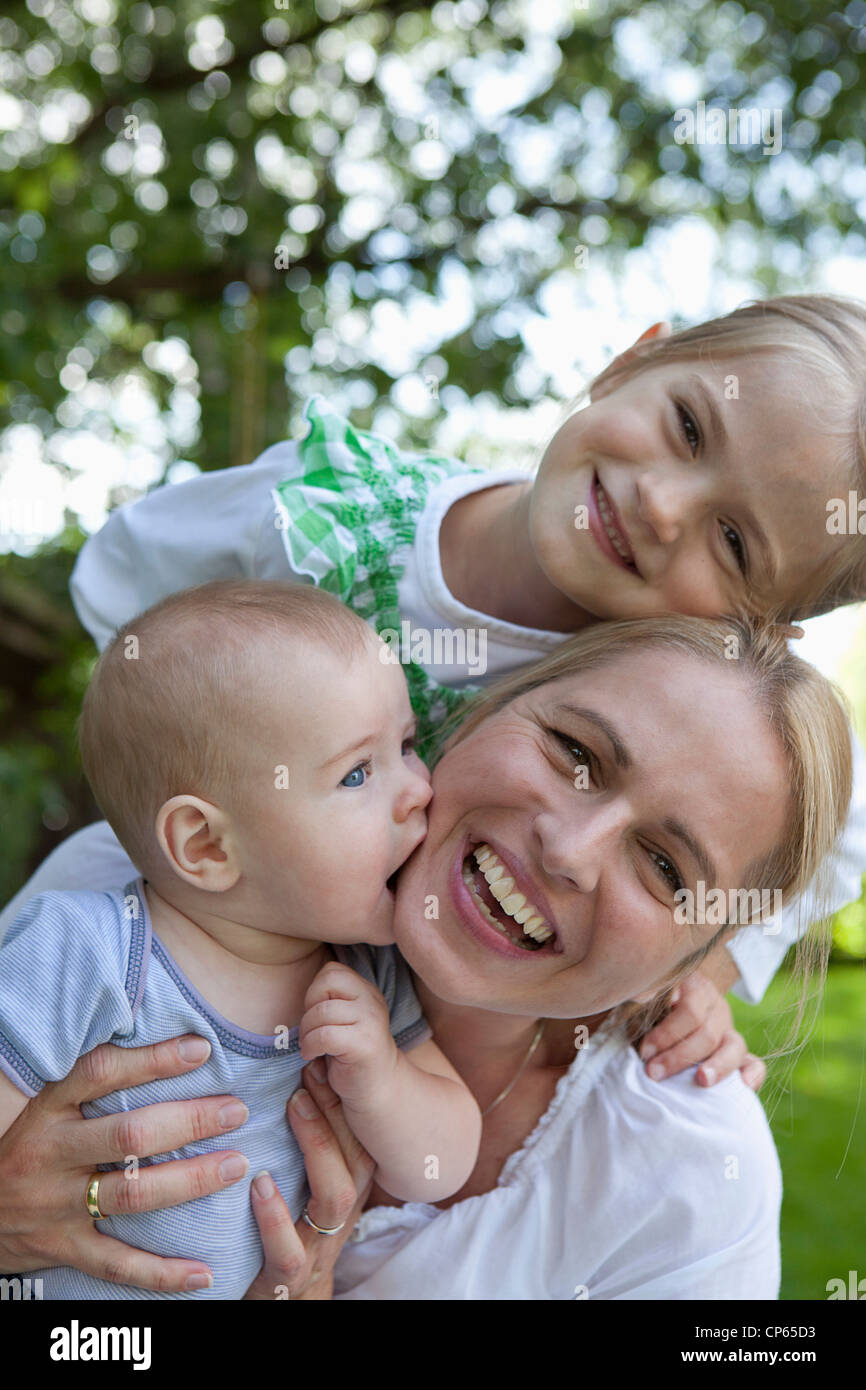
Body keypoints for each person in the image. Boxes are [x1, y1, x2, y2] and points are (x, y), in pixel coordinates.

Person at [62, 293, 866, 1033]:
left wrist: (712, 965)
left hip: (373, 1009)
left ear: (754, 623)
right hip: (185, 902)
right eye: (689, 428)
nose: (663, 504)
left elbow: (843, 821)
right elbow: (124, 585)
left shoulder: (642, 695)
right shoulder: (331, 520)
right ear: (631, 360)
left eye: (732, 542)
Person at [0, 615, 852, 1298]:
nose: (570, 852)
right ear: (477, 718)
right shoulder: (129, 897)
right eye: (576, 752)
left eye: (666, 868)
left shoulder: (684, 1178)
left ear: (699, 957)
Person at [0, 581, 481, 1299]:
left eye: (407, 745)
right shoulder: (89, 953)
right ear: (206, 846)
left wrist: (384, 1078)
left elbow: (439, 1165)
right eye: (357, 772)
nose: (417, 789)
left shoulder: (364, 975)